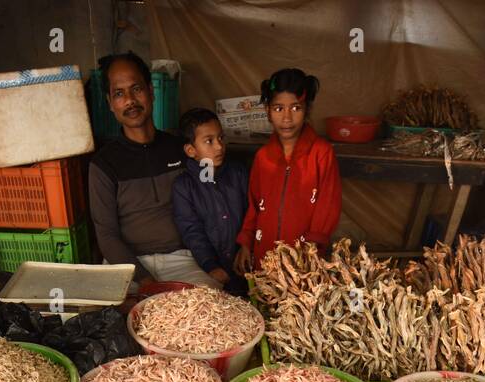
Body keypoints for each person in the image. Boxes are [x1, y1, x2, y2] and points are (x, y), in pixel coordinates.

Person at [88, 51, 218, 287]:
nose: (129, 100)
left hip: (182, 261)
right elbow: (106, 235)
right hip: (126, 267)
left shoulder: (181, 149)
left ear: (151, 91)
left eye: (136, 89)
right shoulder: (103, 165)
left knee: (214, 309)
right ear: (110, 103)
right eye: (119, 93)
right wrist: (145, 280)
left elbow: (209, 204)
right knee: (112, 320)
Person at [234, 68, 342, 277]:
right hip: (264, 257)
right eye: (278, 108)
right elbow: (254, 206)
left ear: (307, 110)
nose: (286, 118)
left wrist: (311, 252)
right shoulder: (263, 157)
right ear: (267, 110)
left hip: (303, 262)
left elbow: (328, 206)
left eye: (295, 108)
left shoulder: (321, 153)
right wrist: (246, 242)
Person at [172, 107, 249, 294]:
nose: (219, 146)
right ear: (191, 150)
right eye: (209, 141)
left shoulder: (238, 173)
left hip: (245, 262)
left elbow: (252, 211)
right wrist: (210, 265)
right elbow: (192, 230)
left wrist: (247, 245)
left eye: (221, 138)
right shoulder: (184, 186)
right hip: (213, 270)